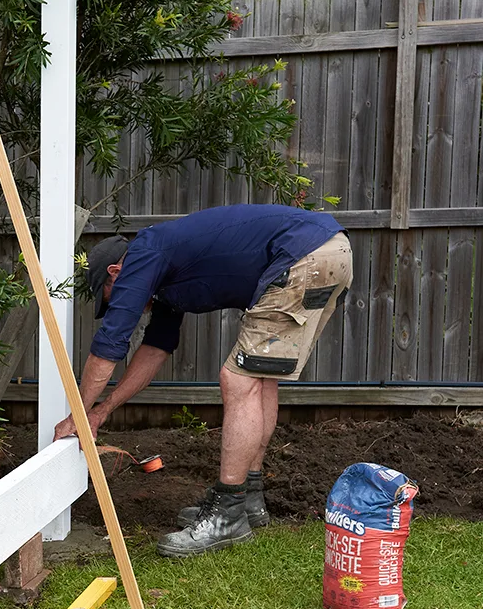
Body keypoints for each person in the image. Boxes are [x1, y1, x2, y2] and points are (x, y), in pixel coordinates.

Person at [54, 203, 352, 558]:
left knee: (238, 380)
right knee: (260, 377)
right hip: (329, 250)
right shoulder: (164, 270)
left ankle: (228, 514)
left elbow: (109, 344)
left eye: (111, 296)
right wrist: (100, 412)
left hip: (303, 255)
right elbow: (156, 349)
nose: (121, 303)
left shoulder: (143, 255)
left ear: (116, 273)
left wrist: (77, 415)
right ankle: (249, 499)